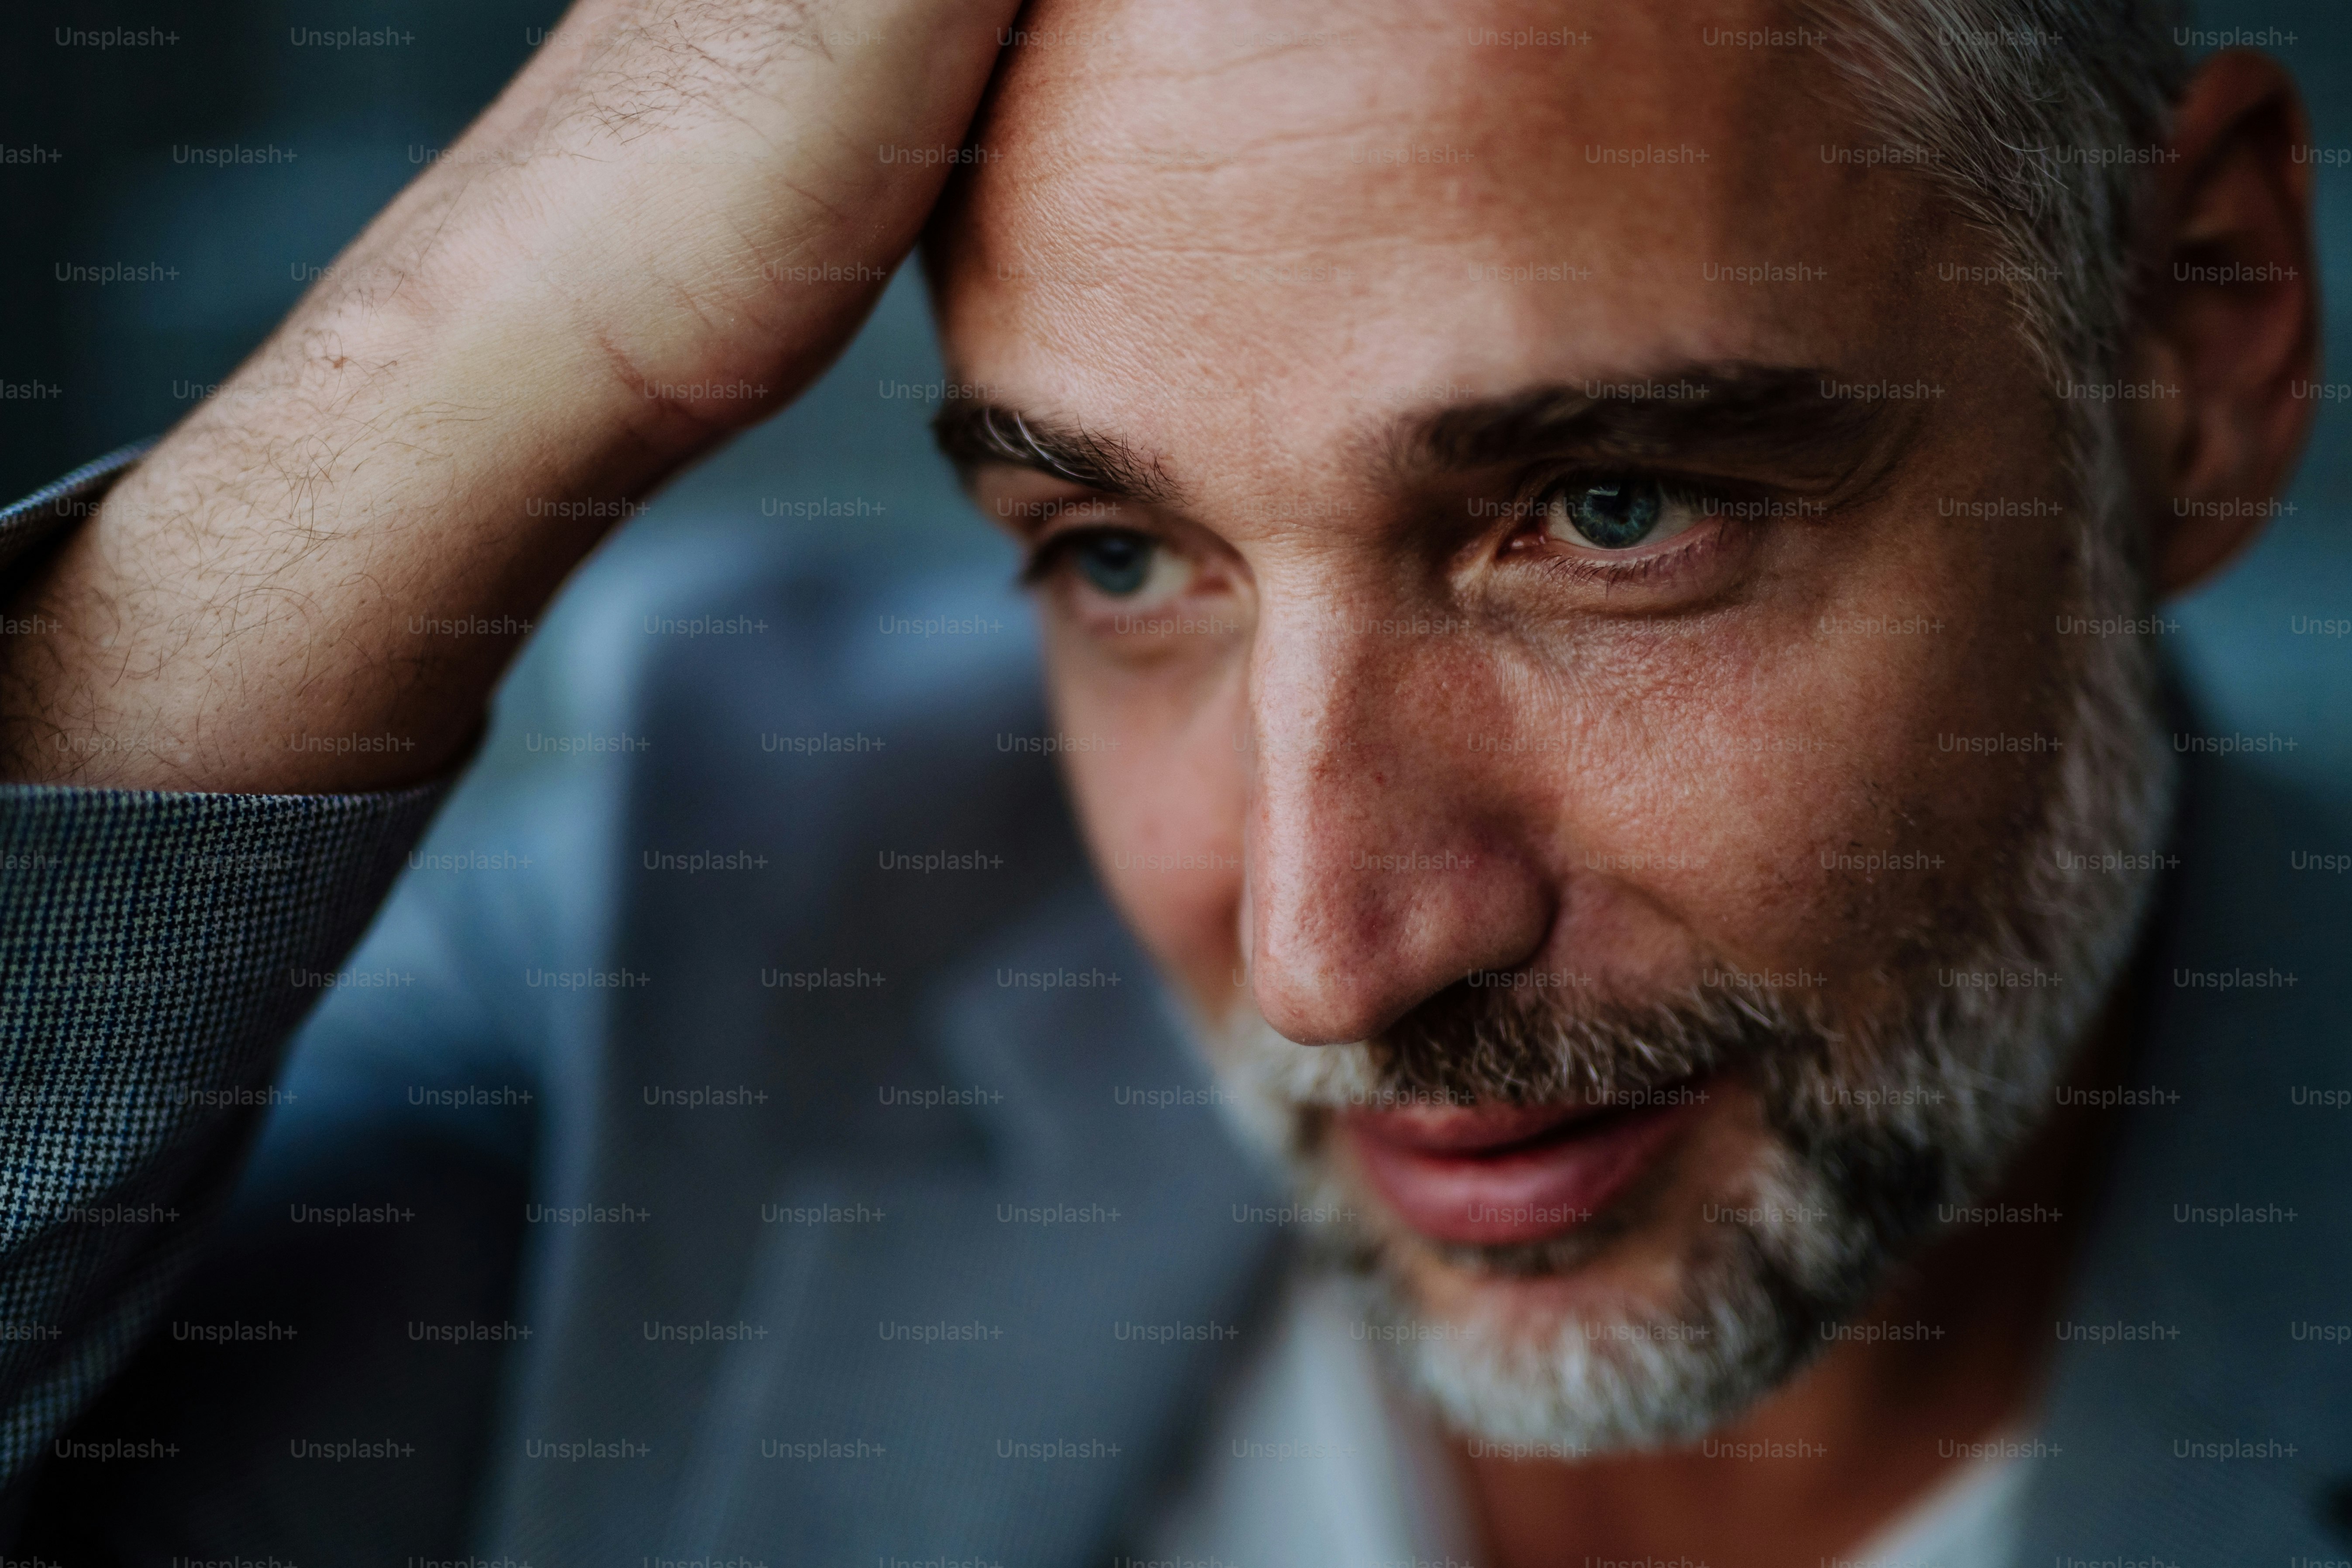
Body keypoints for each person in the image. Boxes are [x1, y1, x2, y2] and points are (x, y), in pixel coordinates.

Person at [0, 1, 2342, 1563]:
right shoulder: (723, 926)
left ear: (2196, 348)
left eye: (1615, 511)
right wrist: (463, 341)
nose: (1328, 946)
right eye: (1120, 554)